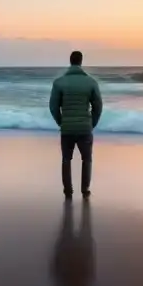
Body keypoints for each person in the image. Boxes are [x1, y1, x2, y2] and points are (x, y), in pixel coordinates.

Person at [49, 51, 103, 199]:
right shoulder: (91, 82)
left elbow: (53, 106)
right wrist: (92, 123)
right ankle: (85, 191)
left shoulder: (59, 82)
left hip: (67, 128)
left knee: (66, 159)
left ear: (70, 61)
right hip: (85, 127)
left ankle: (68, 191)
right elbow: (98, 106)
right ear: (81, 62)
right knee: (87, 159)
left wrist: (61, 121)